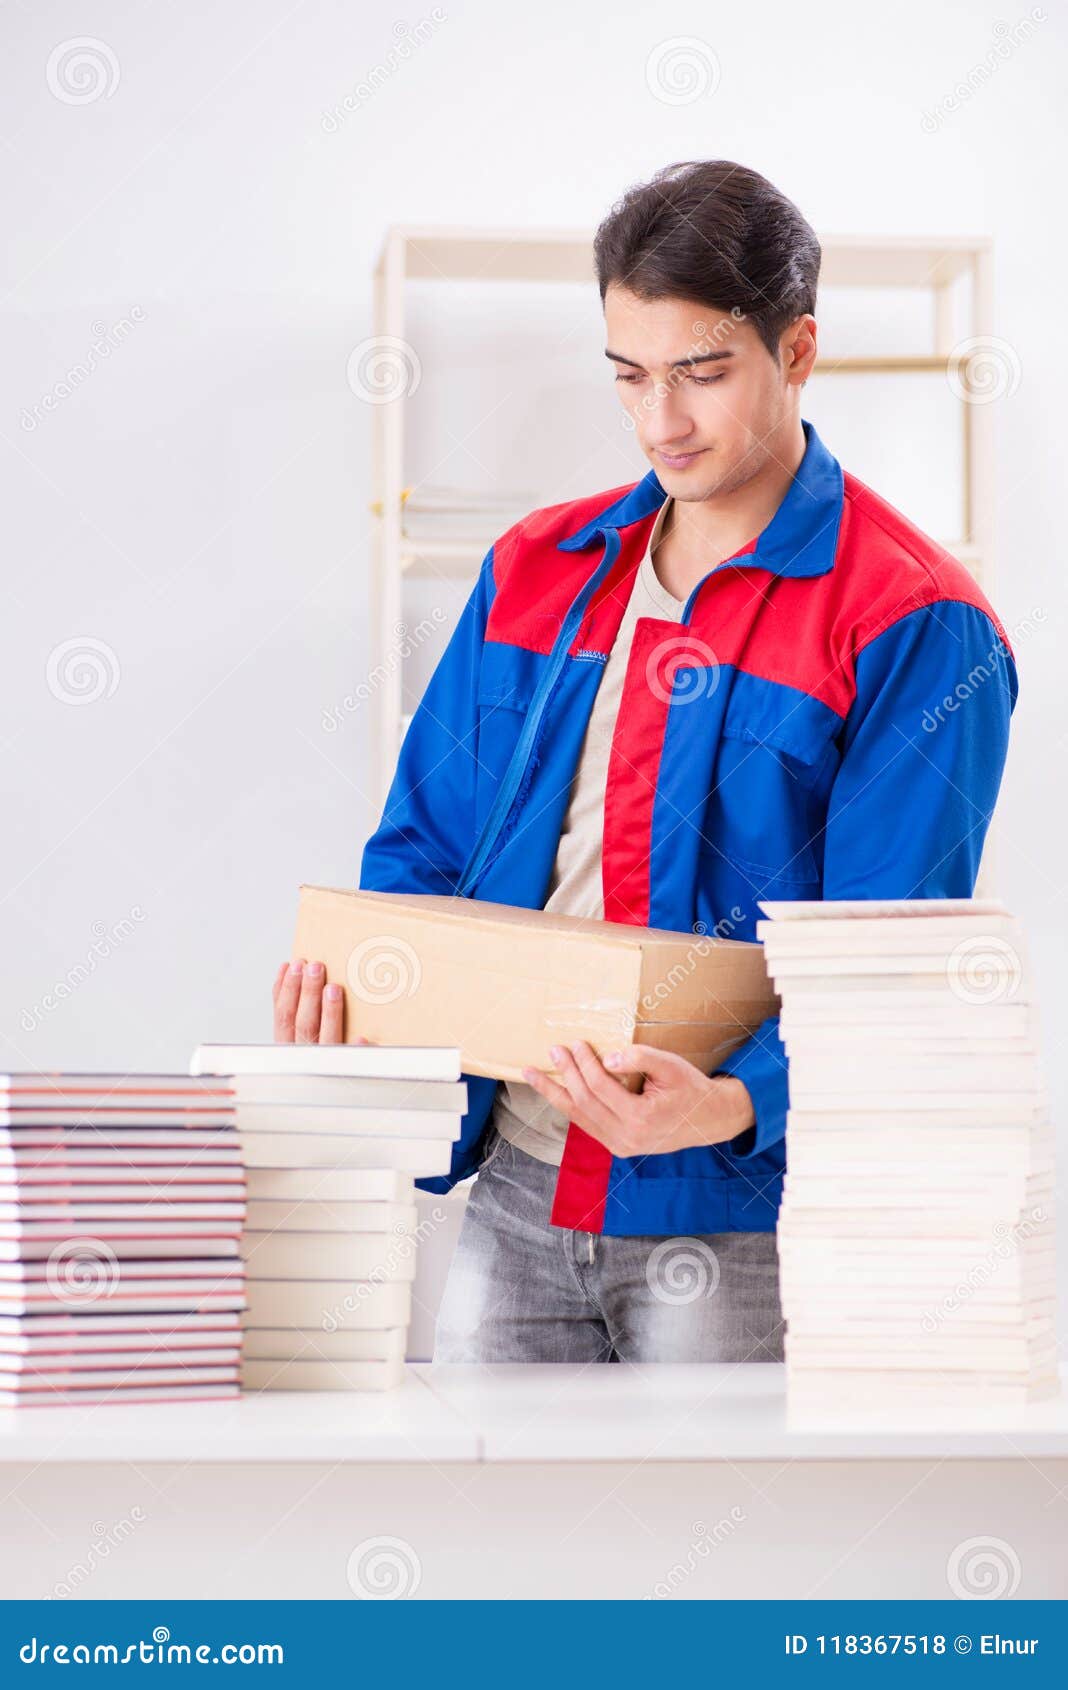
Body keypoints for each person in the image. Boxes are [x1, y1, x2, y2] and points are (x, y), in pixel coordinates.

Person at [273, 159, 1018, 1365]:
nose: (660, 420)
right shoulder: (536, 568)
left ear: (800, 350)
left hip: (732, 1224)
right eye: (630, 377)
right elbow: (424, 846)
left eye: (703, 374)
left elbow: (890, 960)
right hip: (512, 1186)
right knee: (497, 1547)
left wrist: (724, 1105)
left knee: (717, 1556)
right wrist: (373, 1004)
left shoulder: (913, 622)